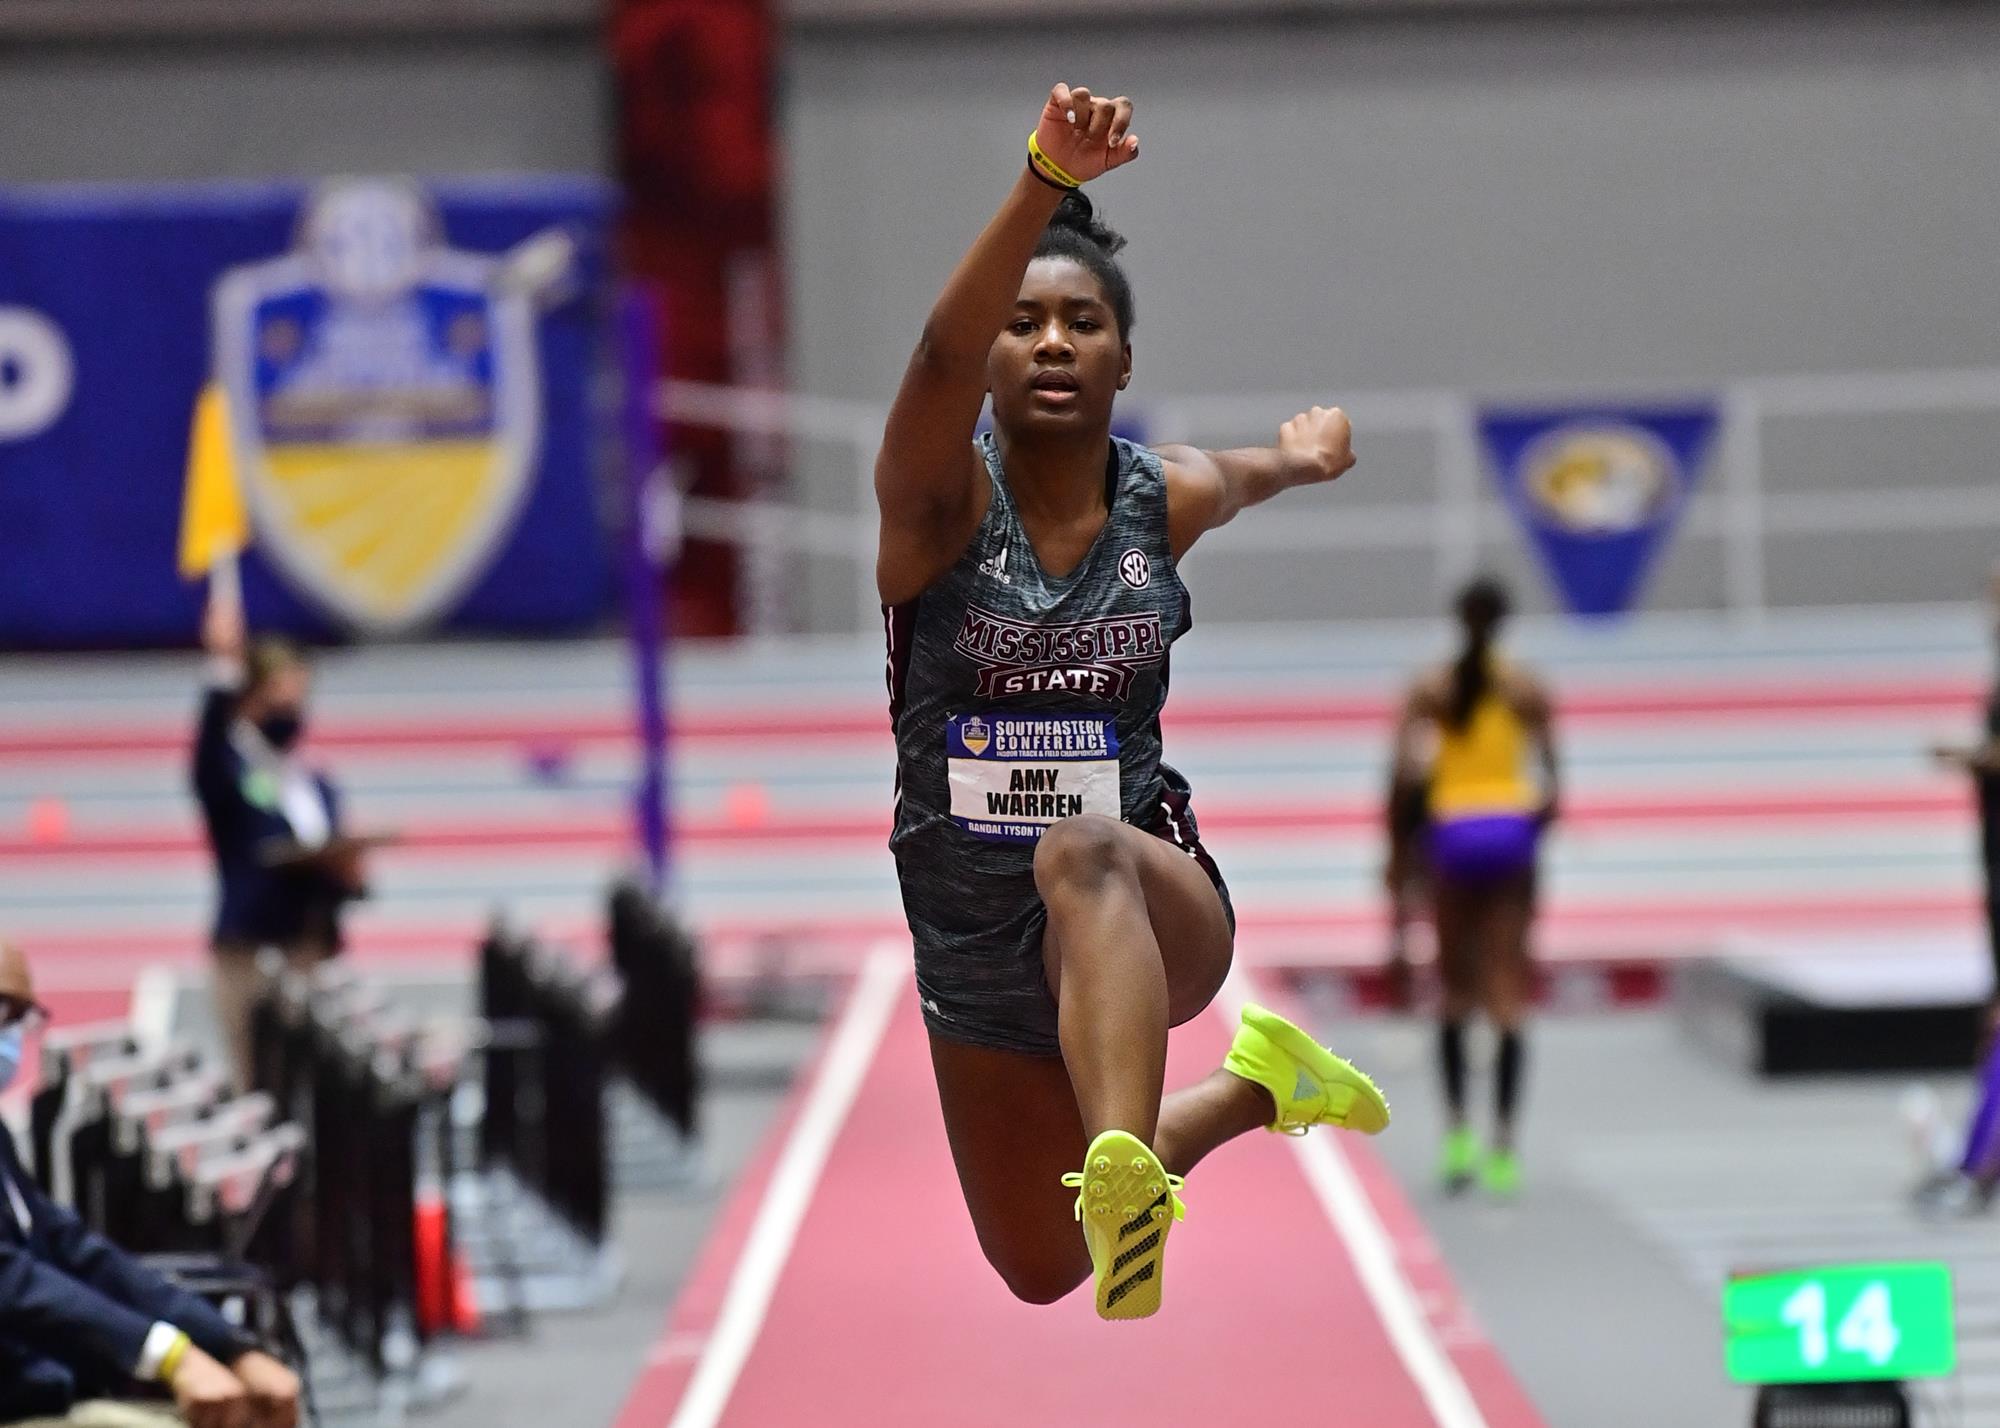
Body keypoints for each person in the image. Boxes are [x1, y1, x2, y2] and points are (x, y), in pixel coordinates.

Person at [875, 82, 1389, 1321]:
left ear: (1121, 359)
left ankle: (1126, 1180)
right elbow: (933, 355)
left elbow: (1247, 473)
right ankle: (1255, 1090)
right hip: (969, 938)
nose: (1052, 342)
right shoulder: (935, 511)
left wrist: (1305, 456)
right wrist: (1041, 180)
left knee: (1081, 847)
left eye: (1081, 322)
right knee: (1040, 1270)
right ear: (990, 359)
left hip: (1146, 902)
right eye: (1022, 324)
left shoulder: (1164, 499)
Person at [0, 942, 301, 1427]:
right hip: (22, 1401)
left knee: (253, 1409)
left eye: (18, 1020)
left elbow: (77, 1252)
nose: (10, 1039)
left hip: (49, 1387)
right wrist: (169, 1356)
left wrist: (229, 1345)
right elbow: (14, 1283)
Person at [1388, 577, 1559, 1197]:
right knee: (1508, 994)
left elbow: (1403, 781)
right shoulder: (1528, 689)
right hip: (1510, 837)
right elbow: (1553, 785)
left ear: (1460, 621)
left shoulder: (1430, 688)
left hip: (1452, 839)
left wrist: (1400, 866)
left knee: (1456, 994)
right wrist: (1529, 839)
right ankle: (1504, 1149)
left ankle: (1457, 1137)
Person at [191, 583, 370, 1090]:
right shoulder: (230, 768)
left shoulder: (315, 784)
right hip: (252, 959)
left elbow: (335, 866)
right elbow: (208, 751)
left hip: (315, 953)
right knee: (262, 1090)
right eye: (280, 697)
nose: (292, 710)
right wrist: (221, 664)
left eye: (299, 697)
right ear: (251, 700)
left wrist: (349, 874)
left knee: (326, 1094)